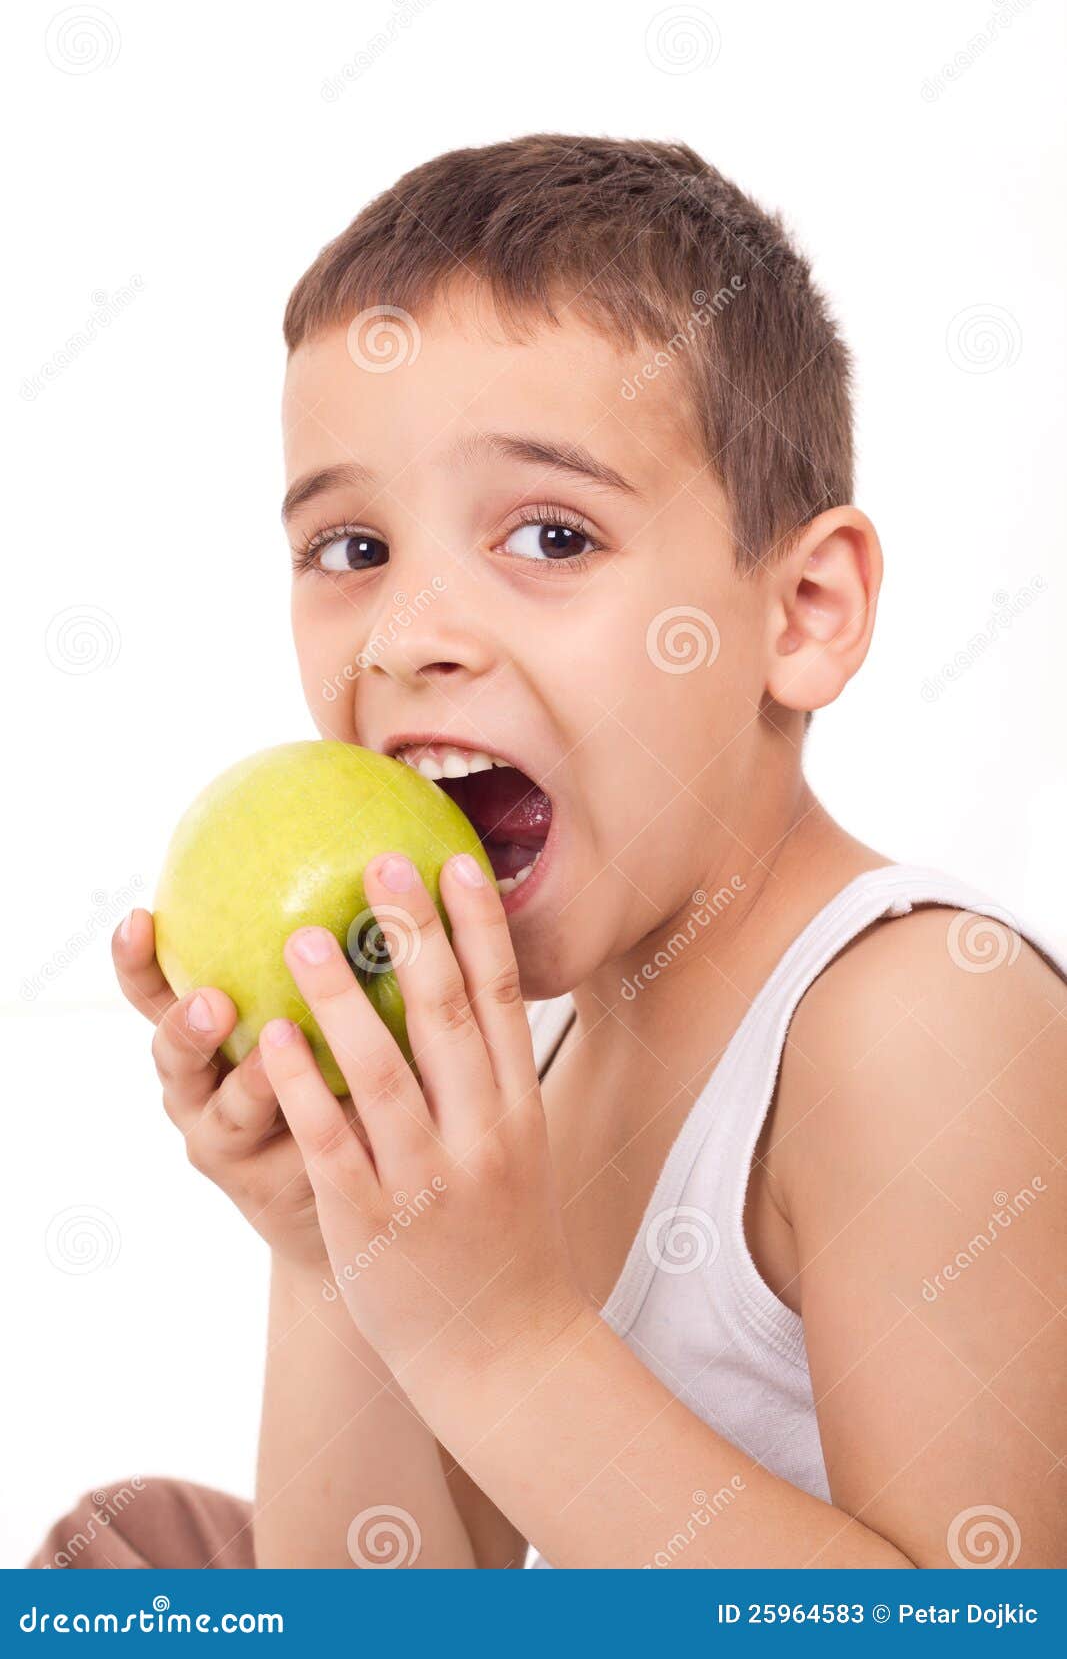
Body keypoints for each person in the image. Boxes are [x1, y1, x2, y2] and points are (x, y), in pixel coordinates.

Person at [32, 134, 1066, 1571]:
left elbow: (974, 1635)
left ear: (805, 610)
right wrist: (332, 1257)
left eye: (553, 536)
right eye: (351, 550)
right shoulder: (517, 1069)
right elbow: (373, 1625)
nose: (409, 637)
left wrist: (500, 1338)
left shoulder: (919, 1019)